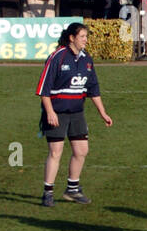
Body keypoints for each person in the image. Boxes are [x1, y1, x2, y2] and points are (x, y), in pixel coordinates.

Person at [35, 22, 113, 207]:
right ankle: (48, 192)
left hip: (77, 113)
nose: (86, 40)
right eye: (82, 37)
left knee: (81, 151)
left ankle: (72, 189)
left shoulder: (87, 59)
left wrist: (102, 112)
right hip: (57, 112)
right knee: (56, 153)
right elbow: (43, 89)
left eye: (86, 37)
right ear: (72, 38)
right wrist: (50, 112)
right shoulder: (57, 57)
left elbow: (93, 88)